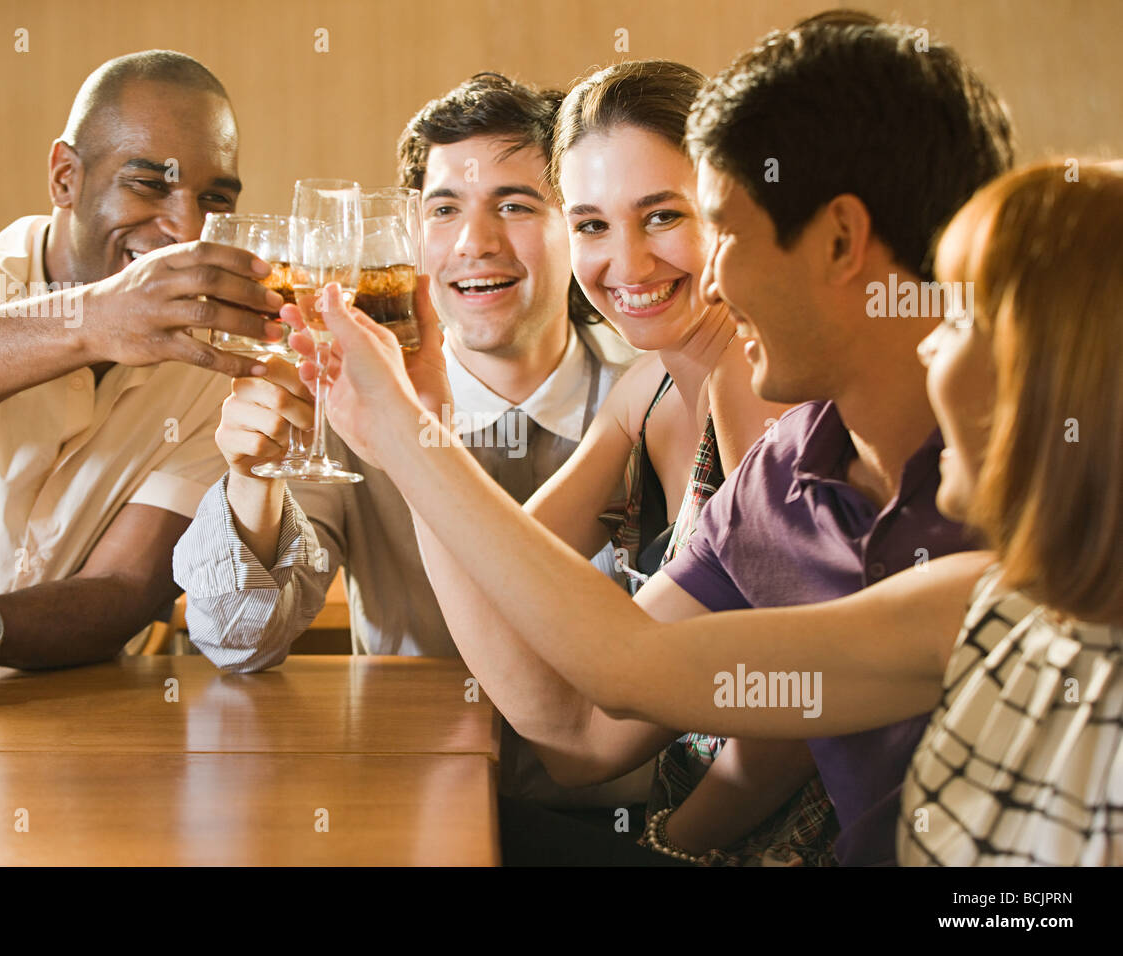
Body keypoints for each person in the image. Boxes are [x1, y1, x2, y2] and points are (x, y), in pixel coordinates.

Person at [291, 16, 1016, 864]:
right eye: (593, 222)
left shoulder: (1035, 492)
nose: (711, 275)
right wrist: (417, 430)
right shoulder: (789, 469)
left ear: (841, 239)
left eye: (717, 224)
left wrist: (413, 438)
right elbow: (589, 714)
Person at [172, 73, 642, 805]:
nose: (473, 243)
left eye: (514, 205)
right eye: (444, 208)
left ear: (578, 225)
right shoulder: (357, 402)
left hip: (616, 818)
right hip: (411, 811)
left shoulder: (650, 401)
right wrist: (253, 477)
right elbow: (239, 644)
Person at [416, 59, 820, 865]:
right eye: (594, 225)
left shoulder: (763, 385)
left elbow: (786, 726)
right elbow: (506, 579)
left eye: (663, 216)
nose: (627, 266)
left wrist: (672, 847)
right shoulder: (649, 386)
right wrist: (425, 424)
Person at [0, 50, 292, 708]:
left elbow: (124, 590)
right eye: (150, 185)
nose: (186, 228)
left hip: (63, 747)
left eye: (213, 198)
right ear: (65, 176)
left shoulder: (207, 371)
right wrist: (93, 320)